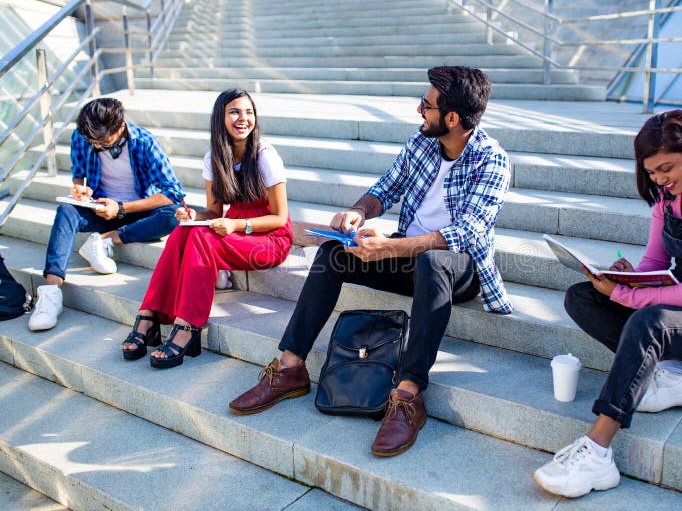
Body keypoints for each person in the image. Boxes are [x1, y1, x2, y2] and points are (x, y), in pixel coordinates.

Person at [228, 65, 513, 457]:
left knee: (433, 261)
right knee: (334, 251)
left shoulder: (492, 159)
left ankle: (409, 394)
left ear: (452, 117)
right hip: (409, 257)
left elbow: (467, 232)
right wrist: (358, 213)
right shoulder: (422, 143)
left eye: (426, 106)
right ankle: (291, 366)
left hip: (459, 269)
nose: (418, 110)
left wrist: (392, 248)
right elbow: (386, 187)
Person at [534, 109, 682, 497]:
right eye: (651, 172)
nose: (660, 179)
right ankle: (673, 374)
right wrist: (626, 277)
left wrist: (627, 296)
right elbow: (656, 264)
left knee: (651, 322)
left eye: (666, 167)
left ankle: (597, 452)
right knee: (582, 297)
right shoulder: (668, 199)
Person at [120, 88, 292, 369]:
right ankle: (149, 314)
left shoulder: (265, 156)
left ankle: (187, 325)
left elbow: (279, 217)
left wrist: (235, 223)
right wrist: (192, 215)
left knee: (199, 237)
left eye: (248, 112)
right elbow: (213, 212)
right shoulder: (214, 156)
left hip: (269, 238)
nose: (243, 119)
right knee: (183, 231)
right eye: (234, 112)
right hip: (234, 231)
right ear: (220, 118)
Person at [28, 98, 184, 332]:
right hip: (101, 209)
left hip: (138, 209)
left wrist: (121, 207)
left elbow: (173, 192)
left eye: (102, 141)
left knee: (173, 215)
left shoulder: (144, 142)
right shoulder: (82, 137)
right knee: (66, 211)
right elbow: (78, 172)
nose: (97, 146)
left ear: (120, 126)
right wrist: (79, 189)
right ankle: (50, 294)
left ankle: (105, 239)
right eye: (93, 142)